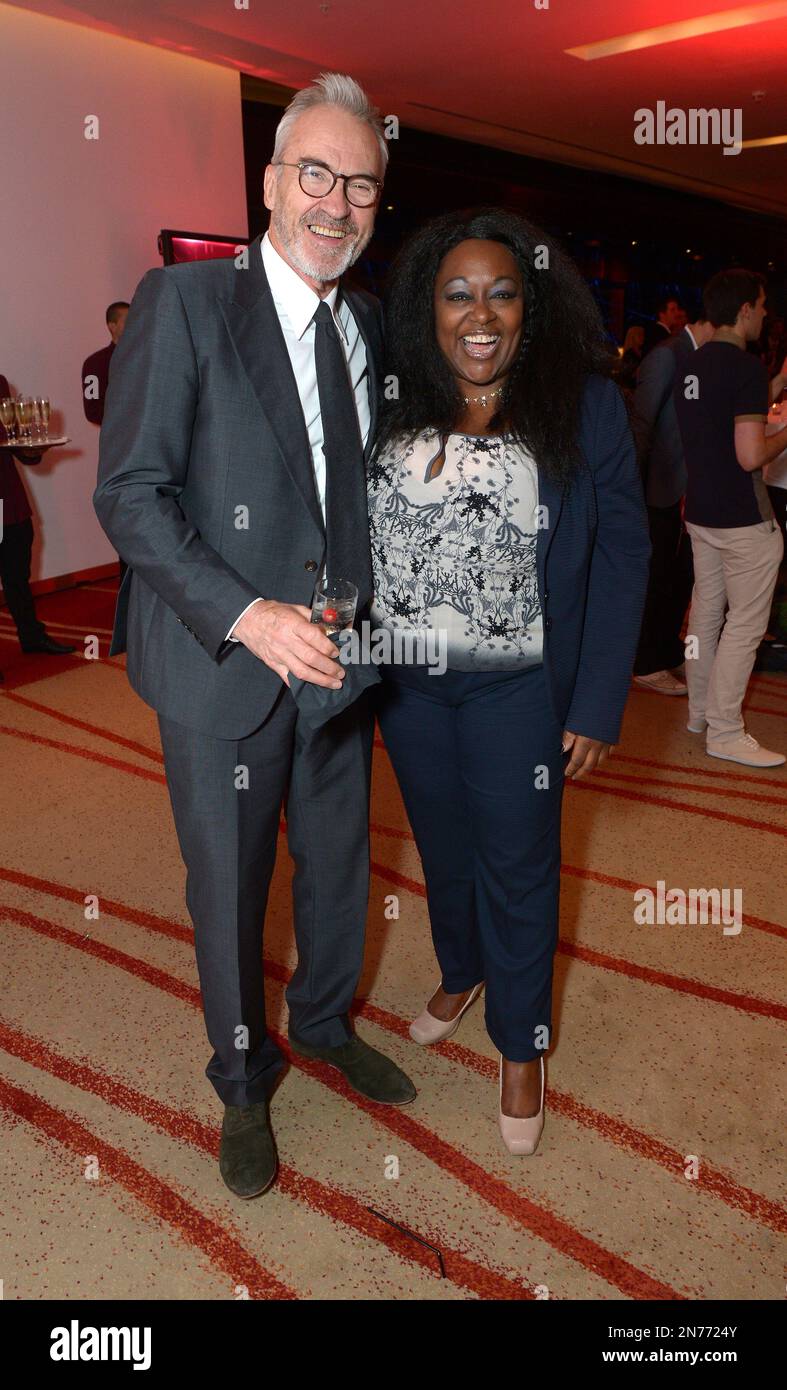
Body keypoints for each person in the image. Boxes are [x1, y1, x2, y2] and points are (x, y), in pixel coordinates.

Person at [94, 73, 415, 1201]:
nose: (337, 202)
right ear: (272, 182)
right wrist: (248, 612)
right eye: (316, 174)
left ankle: (321, 1022)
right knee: (229, 887)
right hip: (225, 659)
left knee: (336, 869)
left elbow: (356, 489)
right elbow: (130, 496)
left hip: (337, 660)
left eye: (361, 183)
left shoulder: (364, 320)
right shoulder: (183, 305)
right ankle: (240, 1076)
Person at [367, 208, 651, 1155]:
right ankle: (461, 967)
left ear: (531, 305)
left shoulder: (583, 403)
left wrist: (596, 700)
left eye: (500, 292)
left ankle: (521, 1042)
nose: (477, 314)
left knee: (519, 863)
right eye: (456, 294)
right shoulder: (391, 397)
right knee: (442, 849)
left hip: (519, 687)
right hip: (406, 682)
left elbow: (621, 555)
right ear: (427, 307)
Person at [674, 269, 787, 767]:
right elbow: (749, 455)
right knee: (743, 626)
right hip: (743, 520)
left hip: (700, 512)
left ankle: (700, 711)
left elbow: (719, 418)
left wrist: (777, 383)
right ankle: (724, 729)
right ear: (744, 309)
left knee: (705, 615)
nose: (765, 313)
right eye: (761, 305)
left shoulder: (691, 363)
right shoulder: (745, 369)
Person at [630, 315, 715, 693]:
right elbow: (642, 424)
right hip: (653, 490)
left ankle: (665, 650)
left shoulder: (698, 357)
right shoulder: (668, 355)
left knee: (679, 575)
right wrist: (631, 490)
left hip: (683, 489)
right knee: (657, 577)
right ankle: (646, 661)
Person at [0, 371, 75, 675]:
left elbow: (14, 441)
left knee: (18, 573)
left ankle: (31, 636)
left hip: (9, 499)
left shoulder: (0, 382)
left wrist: (32, 451)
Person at [81, 302, 129, 426]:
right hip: (119, 439)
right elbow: (92, 411)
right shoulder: (94, 363)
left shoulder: (147, 358)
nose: (135, 325)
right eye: (129, 320)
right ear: (112, 326)